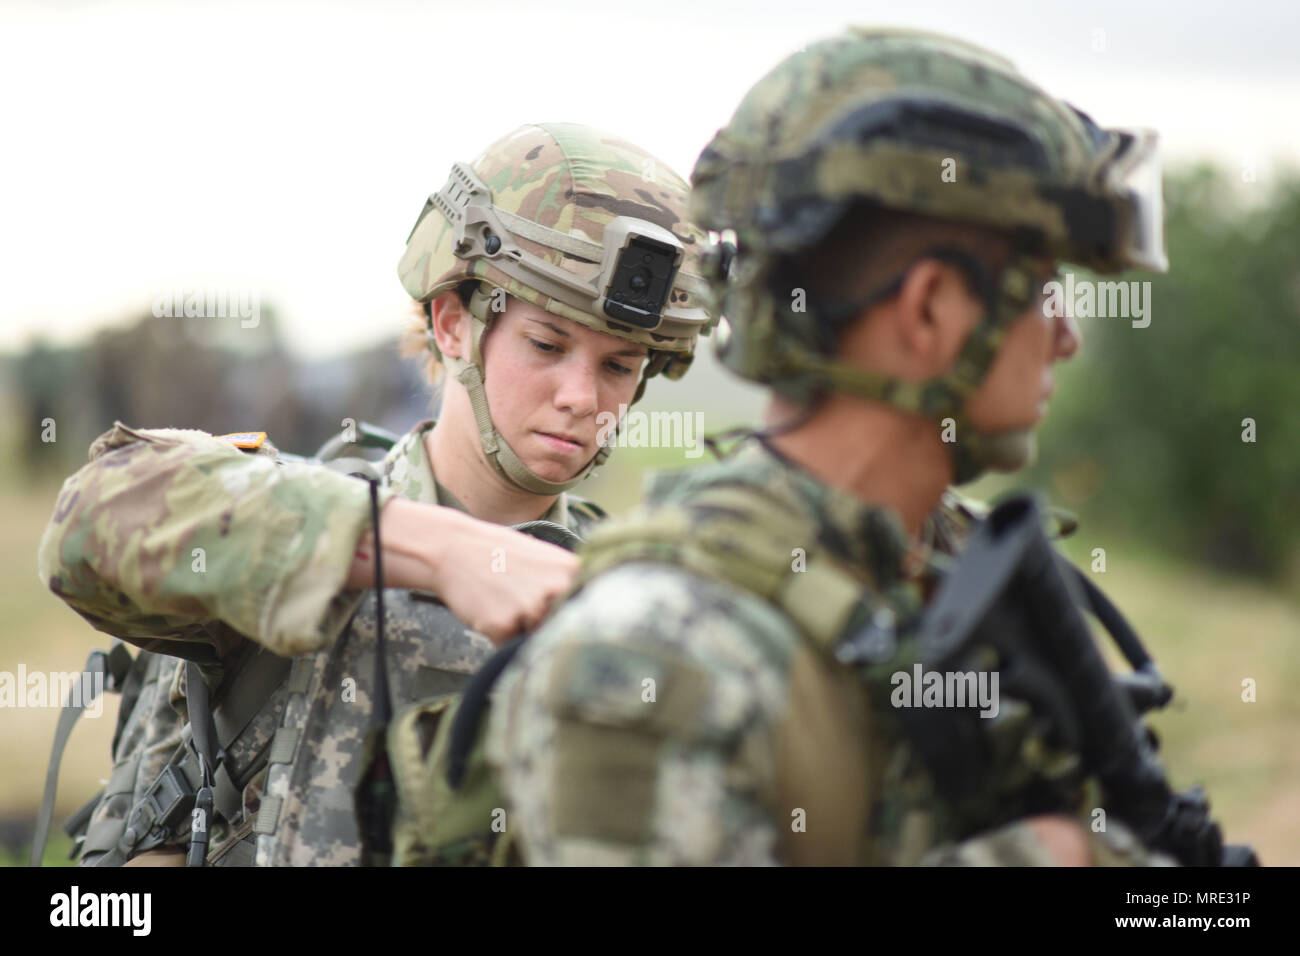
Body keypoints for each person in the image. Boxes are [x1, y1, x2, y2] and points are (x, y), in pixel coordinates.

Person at [485, 29, 1174, 865]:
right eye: (1041, 292)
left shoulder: (945, 573)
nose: (1063, 337)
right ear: (928, 313)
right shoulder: (650, 656)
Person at [36, 122, 715, 866]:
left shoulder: (633, 600)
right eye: (546, 346)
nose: (582, 396)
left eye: (619, 366)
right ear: (453, 325)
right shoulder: (291, 520)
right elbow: (85, 528)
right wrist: (440, 551)